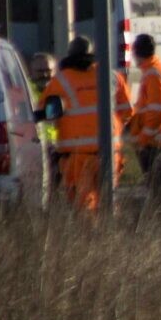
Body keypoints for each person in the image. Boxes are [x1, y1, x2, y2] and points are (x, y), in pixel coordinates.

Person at [40, 34, 131, 212]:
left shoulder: (60, 81)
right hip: (109, 152)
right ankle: (112, 236)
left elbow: (43, 113)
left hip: (77, 156)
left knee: (84, 208)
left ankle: (92, 238)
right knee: (109, 202)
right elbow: (127, 110)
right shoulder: (112, 76)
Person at [128, 33, 161, 194]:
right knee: (157, 189)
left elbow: (157, 114)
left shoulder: (153, 74)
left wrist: (143, 139)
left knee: (157, 191)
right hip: (156, 140)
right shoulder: (155, 70)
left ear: (137, 53)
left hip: (154, 143)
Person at [23, 51, 60, 193]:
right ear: (31, 72)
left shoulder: (60, 90)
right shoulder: (25, 92)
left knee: (55, 191)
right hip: (33, 148)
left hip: (57, 148)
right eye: (40, 71)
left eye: (48, 71)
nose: (44, 75)